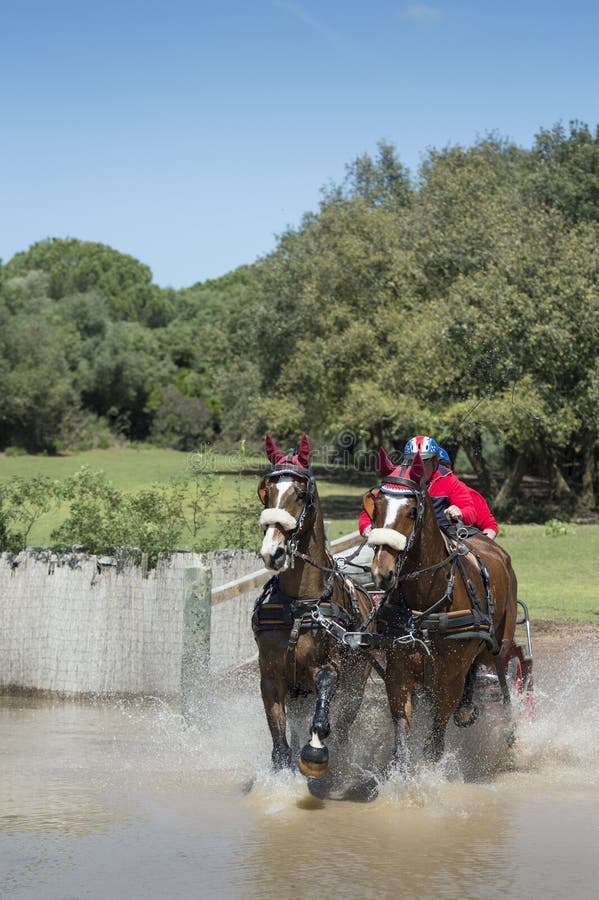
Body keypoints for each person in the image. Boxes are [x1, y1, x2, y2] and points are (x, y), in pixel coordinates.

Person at [359, 435, 478, 537]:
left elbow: (470, 511)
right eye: (413, 461)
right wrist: (365, 526)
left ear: (435, 462)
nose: (418, 466)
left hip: (444, 537)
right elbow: (374, 507)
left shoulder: (449, 480)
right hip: (404, 539)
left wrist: (461, 512)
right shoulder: (400, 479)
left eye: (424, 462)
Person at [438, 447, 498, 540]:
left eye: (442, 468)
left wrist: (482, 547)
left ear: (449, 470)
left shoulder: (470, 494)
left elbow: (489, 525)